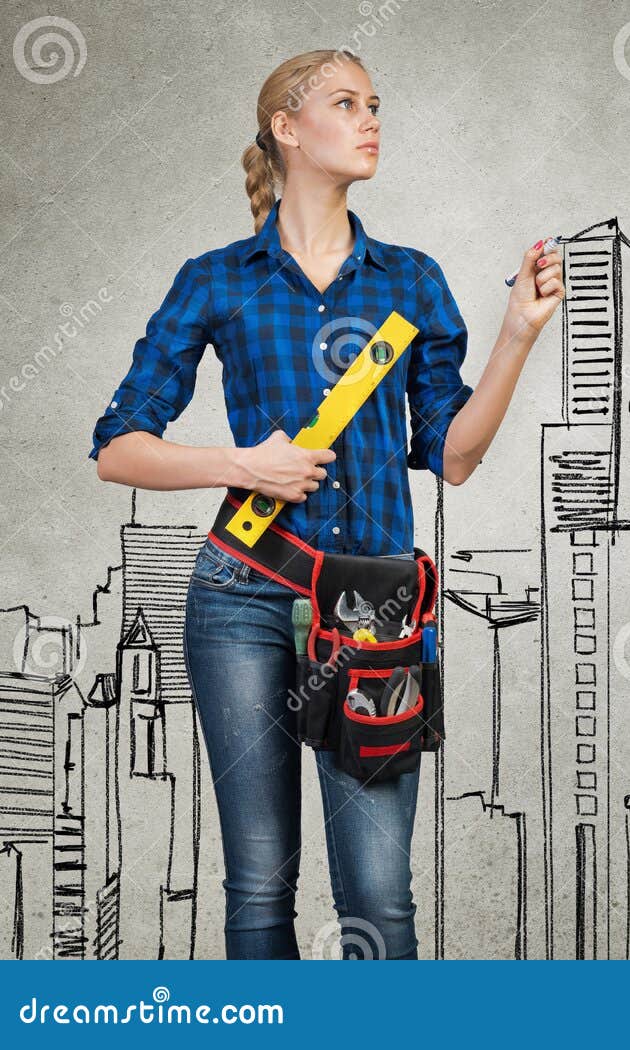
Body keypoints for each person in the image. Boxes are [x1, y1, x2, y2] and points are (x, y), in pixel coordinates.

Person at [87, 48, 564, 960]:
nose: (372, 119)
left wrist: (516, 337)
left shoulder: (410, 281)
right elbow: (118, 448)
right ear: (288, 128)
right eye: (348, 103)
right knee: (259, 887)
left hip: (374, 606)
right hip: (239, 598)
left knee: (379, 900)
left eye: (376, 103)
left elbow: (452, 458)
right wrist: (245, 465)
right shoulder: (219, 278)